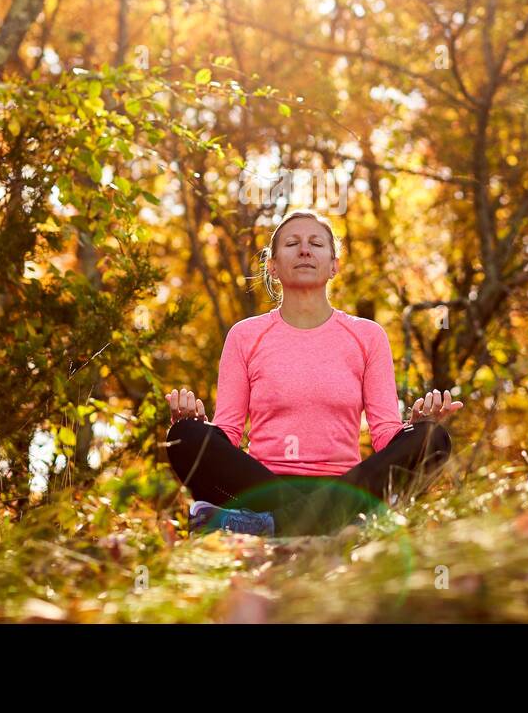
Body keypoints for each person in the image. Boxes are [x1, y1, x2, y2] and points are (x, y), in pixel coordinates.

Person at [164, 209, 461, 537]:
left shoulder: (367, 336)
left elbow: (385, 433)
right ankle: (329, 523)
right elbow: (228, 433)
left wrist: (417, 427)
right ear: (272, 266)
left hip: (345, 485)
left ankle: (273, 525)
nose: (304, 250)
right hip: (264, 486)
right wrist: (195, 423)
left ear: (334, 265)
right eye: (292, 243)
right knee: (185, 436)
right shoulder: (245, 336)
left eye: (316, 243)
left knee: (433, 437)